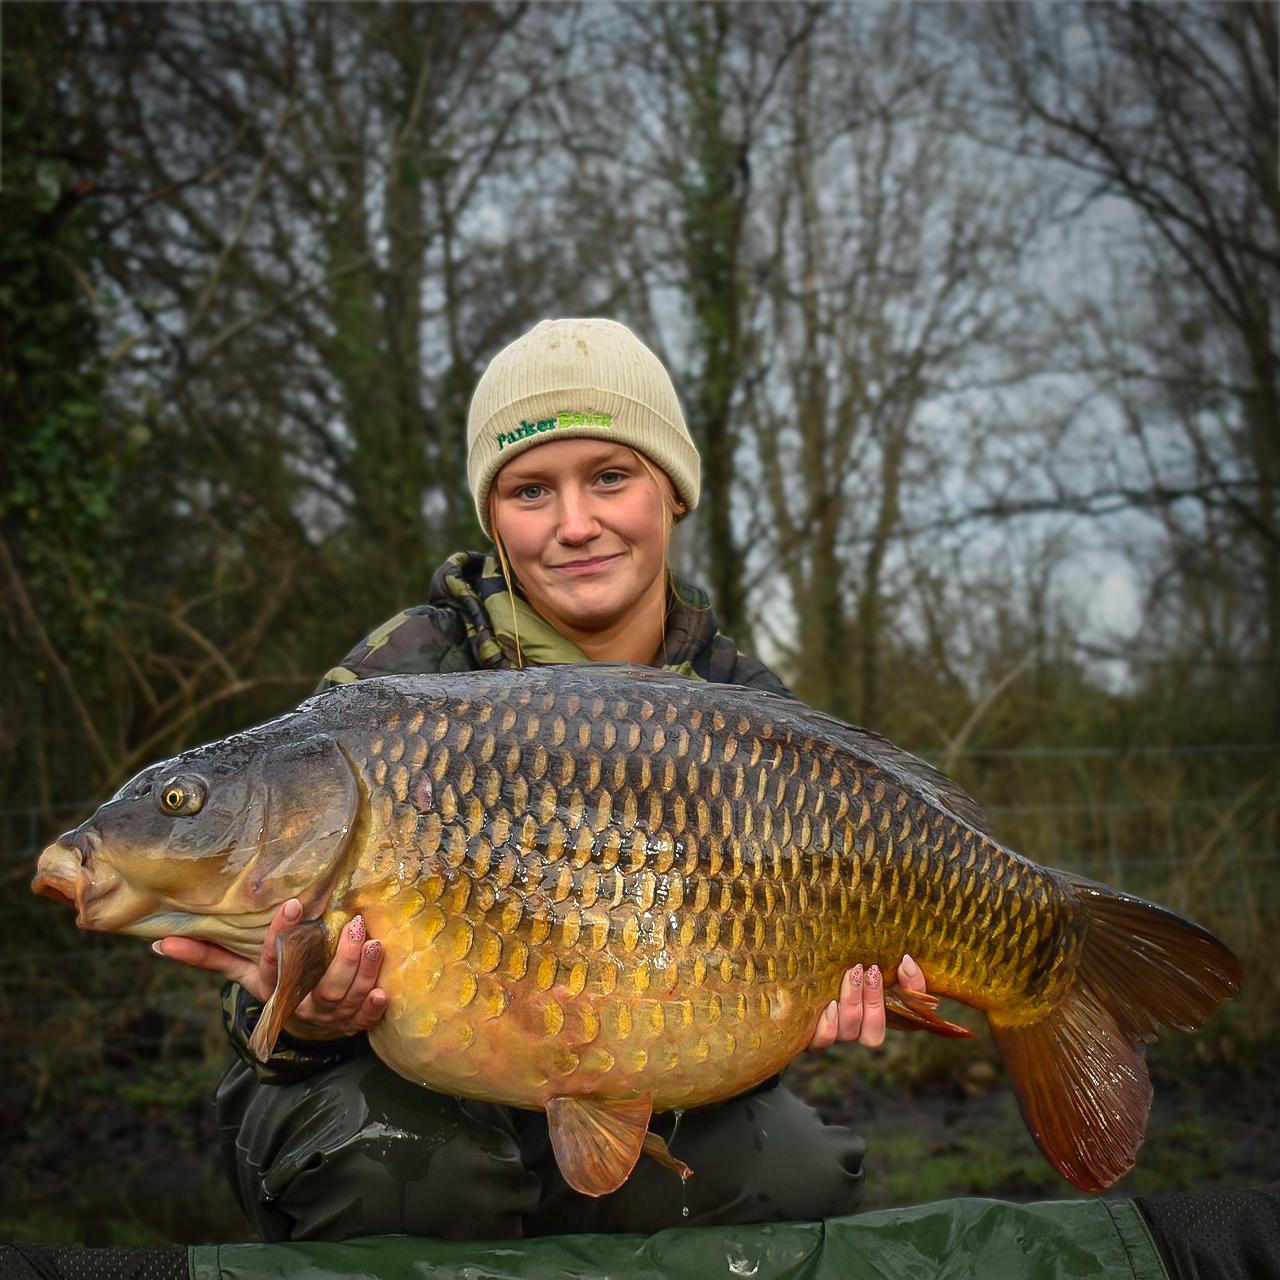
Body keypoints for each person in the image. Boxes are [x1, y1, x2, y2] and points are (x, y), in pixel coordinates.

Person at [154, 318, 930, 1242]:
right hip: (388, 1090)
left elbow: (728, 1029)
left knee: (795, 1175)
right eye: (530, 490)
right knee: (410, 1178)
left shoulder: (745, 711)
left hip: (635, 1074)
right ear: (493, 518)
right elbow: (263, 1007)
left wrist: (796, 1013)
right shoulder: (401, 682)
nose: (575, 523)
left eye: (611, 475)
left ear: (672, 490)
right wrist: (310, 1013)